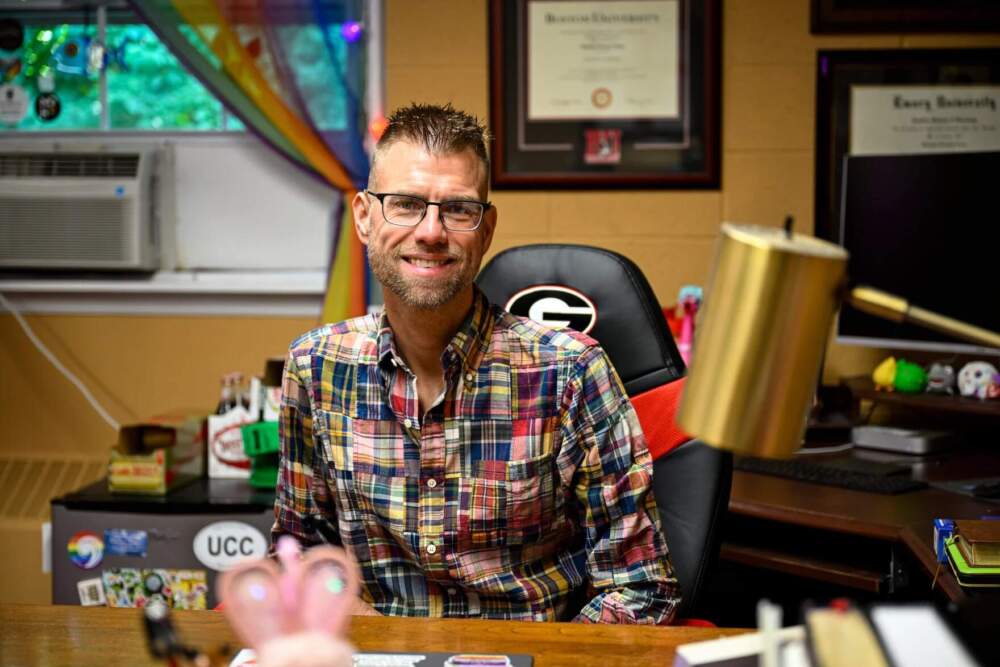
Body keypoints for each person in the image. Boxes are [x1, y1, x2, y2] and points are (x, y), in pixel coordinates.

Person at [272, 103, 679, 624]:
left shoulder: (571, 372)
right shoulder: (316, 367)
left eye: (458, 210)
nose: (431, 231)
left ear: (486, 230)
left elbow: (642, 588)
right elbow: (300, 554)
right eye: (405, 204)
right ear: (364, 218)